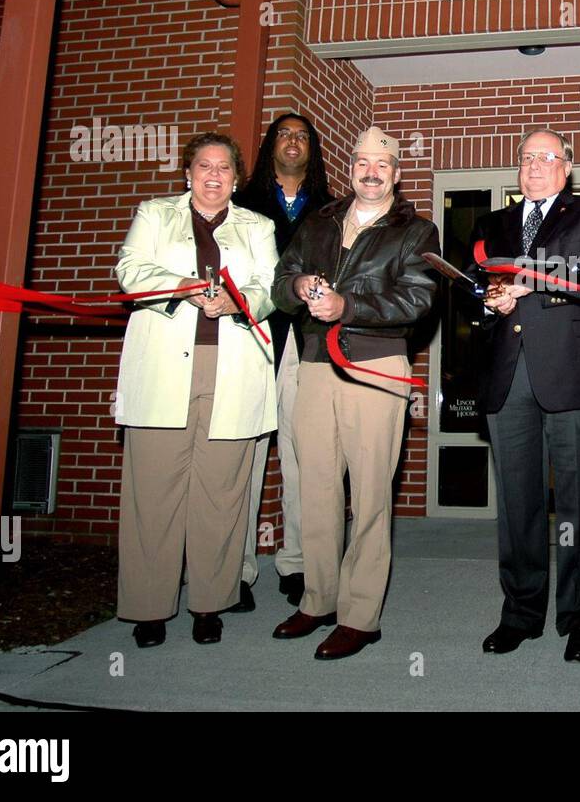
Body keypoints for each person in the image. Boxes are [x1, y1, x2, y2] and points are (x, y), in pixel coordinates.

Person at [270, 125, 440, 660]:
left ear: (396, 172)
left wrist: (349, 307)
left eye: (382, 165)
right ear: (352, 167)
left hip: (375, 366)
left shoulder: (416, 230)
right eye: (363, 162)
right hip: (316, 364)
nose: (371, 172)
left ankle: (361, 615)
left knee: (369, 495)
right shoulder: (317, 221)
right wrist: (298, 288)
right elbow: (282, 279)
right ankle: (318, 599)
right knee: (316, 487)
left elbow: (417, 300)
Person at [114, 132, 278, 648]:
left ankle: (211, 602)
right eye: (204, 166)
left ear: (237, 178)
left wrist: (235, 302)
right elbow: (130, 271)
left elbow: (273, 287)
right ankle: (148, 607)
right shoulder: (155, 214)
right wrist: (187, 289)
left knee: (221, 495)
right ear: (187, 173)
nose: (213, 176)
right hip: (163, 371)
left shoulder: (260, 226)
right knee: (153, 493)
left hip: (233, 367)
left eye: (224, 168)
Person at [470, 128, 580, 663]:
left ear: (567, 167)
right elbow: (479, 287)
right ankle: (520, 613)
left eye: (546, 157)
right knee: (518, 505)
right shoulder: (493, 223)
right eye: (526, 158)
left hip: (572, 372)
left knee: (577, 504)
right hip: (507, 376)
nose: (534, 165)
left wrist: (528, 285)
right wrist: (490, 300)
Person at [233, 112, 334, 611]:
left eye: (301, 136)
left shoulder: (331, 208)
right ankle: (237, 568)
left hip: (307, 341)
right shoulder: (242, 202)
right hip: (253, 337)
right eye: (283, 134)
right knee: (247, 450)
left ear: (312, 149)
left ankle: (295, 562)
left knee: (302, 453)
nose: (292, 142)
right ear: (270, 144)